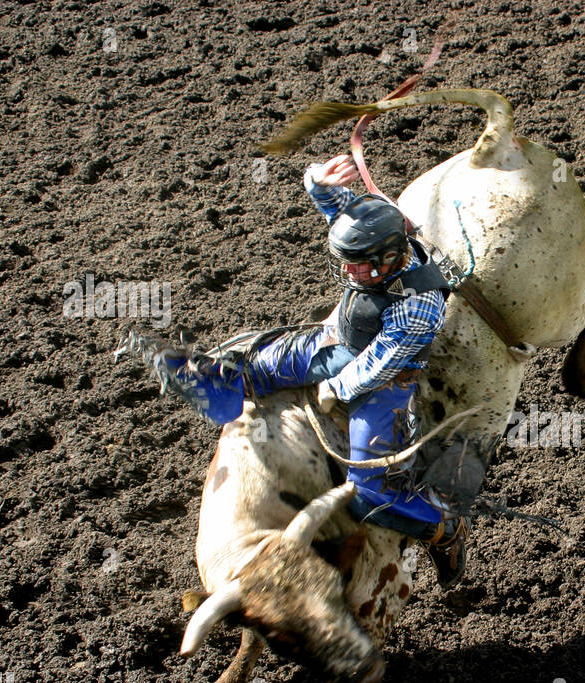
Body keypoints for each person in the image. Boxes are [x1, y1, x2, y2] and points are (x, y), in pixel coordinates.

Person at [158, 153, 468, 588]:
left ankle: (443, 527)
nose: (348, 270)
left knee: (369, 492)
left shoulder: (418, 302)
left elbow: (381, 363)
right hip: (342, 337)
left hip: (386, 381)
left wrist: (335, 390)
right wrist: (318, 181)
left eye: (359, 264)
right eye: (346, 260)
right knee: (268, 362)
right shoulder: (370, 241)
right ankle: (223, 380)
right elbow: (335, 205)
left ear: (392, 257)